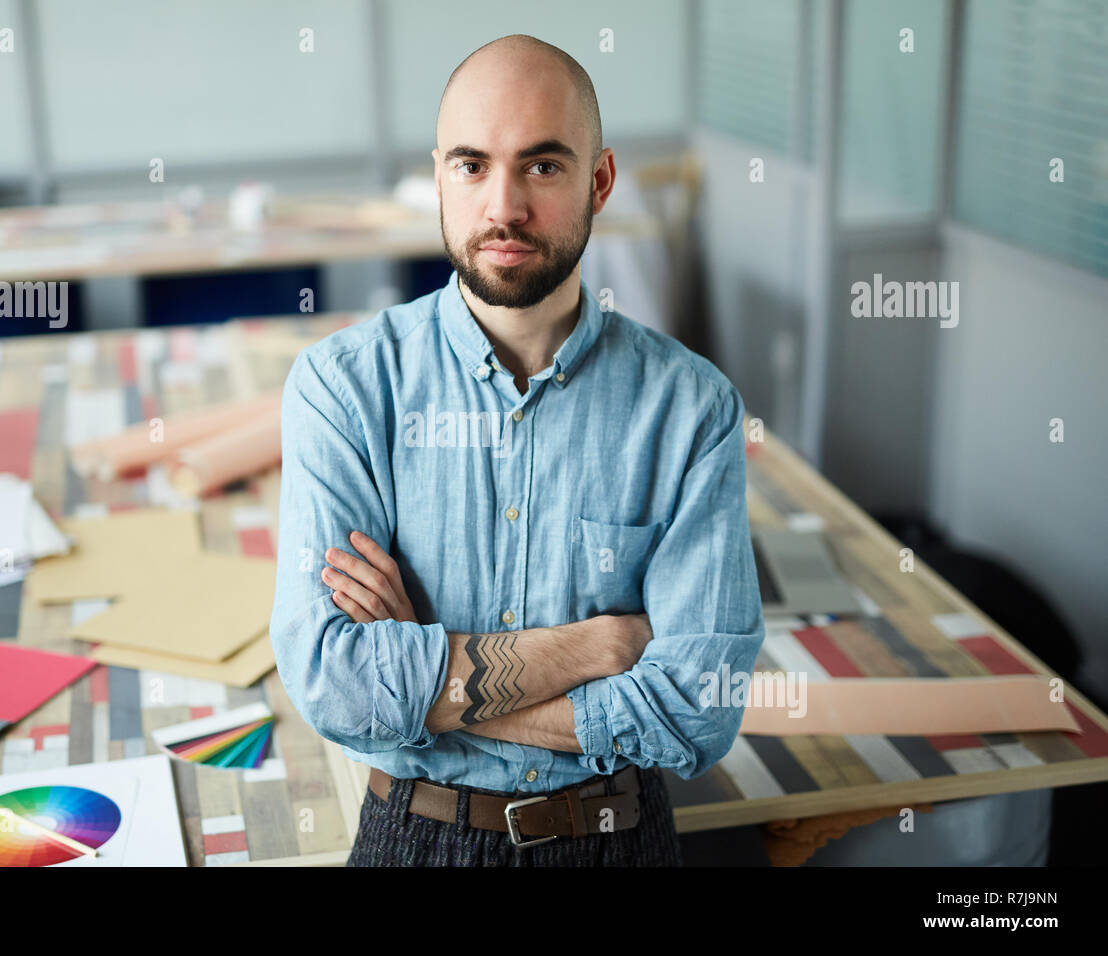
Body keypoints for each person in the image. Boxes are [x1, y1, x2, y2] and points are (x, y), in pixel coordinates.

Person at [269, 33, 764, 866]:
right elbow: (331, 680)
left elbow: (696, 710)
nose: (503, 208)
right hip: (415, 835)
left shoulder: (692, 407)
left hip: (619, 840)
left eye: (542, 166)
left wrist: (423, 672)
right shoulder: (343, 387)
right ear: (438, 176)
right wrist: (596, 648)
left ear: (598, 182)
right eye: (471, 166)